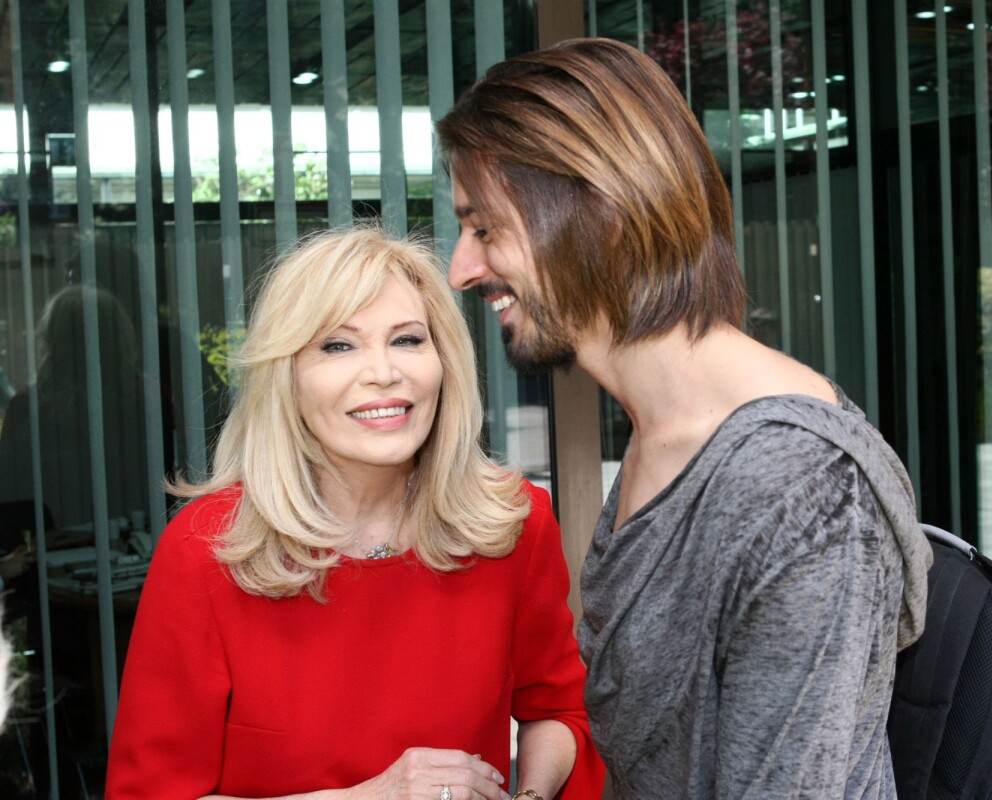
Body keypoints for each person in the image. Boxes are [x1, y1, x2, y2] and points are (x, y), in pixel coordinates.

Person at [437, 37, 933, 798]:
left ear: (598, 210)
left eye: (487, 229)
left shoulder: (796, 485)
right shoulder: (661, 439)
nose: (461, 269)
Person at [106, 228, 604, 800]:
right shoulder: (205, 551)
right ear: (286, 377)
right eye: (338, 346)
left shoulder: (512, 523)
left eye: (408, 340)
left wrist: (531, 797)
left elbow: (560, 711)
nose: (383, 372)